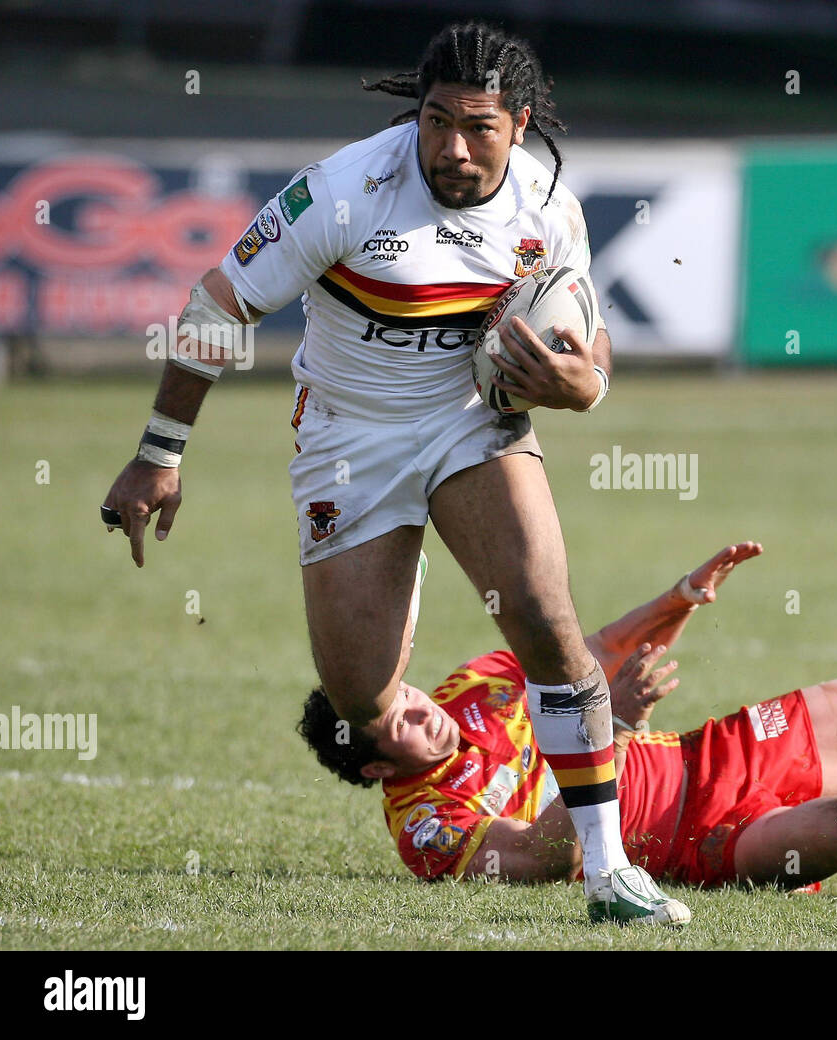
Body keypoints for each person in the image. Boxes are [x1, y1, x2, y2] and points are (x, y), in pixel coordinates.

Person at [100, 21, 686, 925]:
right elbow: (217, 304)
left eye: (479, 126)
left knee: (540, 610)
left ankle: (609, 871)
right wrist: (158, 453)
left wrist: (587, 383)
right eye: (436, 119)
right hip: (349, 438)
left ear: (519, 124)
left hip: (469, 424)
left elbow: (582, 317)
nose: (452, 146)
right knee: (360, 695)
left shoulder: (547, 202)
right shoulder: (342, 191)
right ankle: (396, 562)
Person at [299, 542, 837, 906]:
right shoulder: (427, 828)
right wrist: (612, 731)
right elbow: (543, 858)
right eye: (398, 724)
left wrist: (676, 600)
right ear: (376, 768)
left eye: (403, 693)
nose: (421, 711)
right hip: (700, 843)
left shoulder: (467, 689)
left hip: (723, 755)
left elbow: (590, 649)